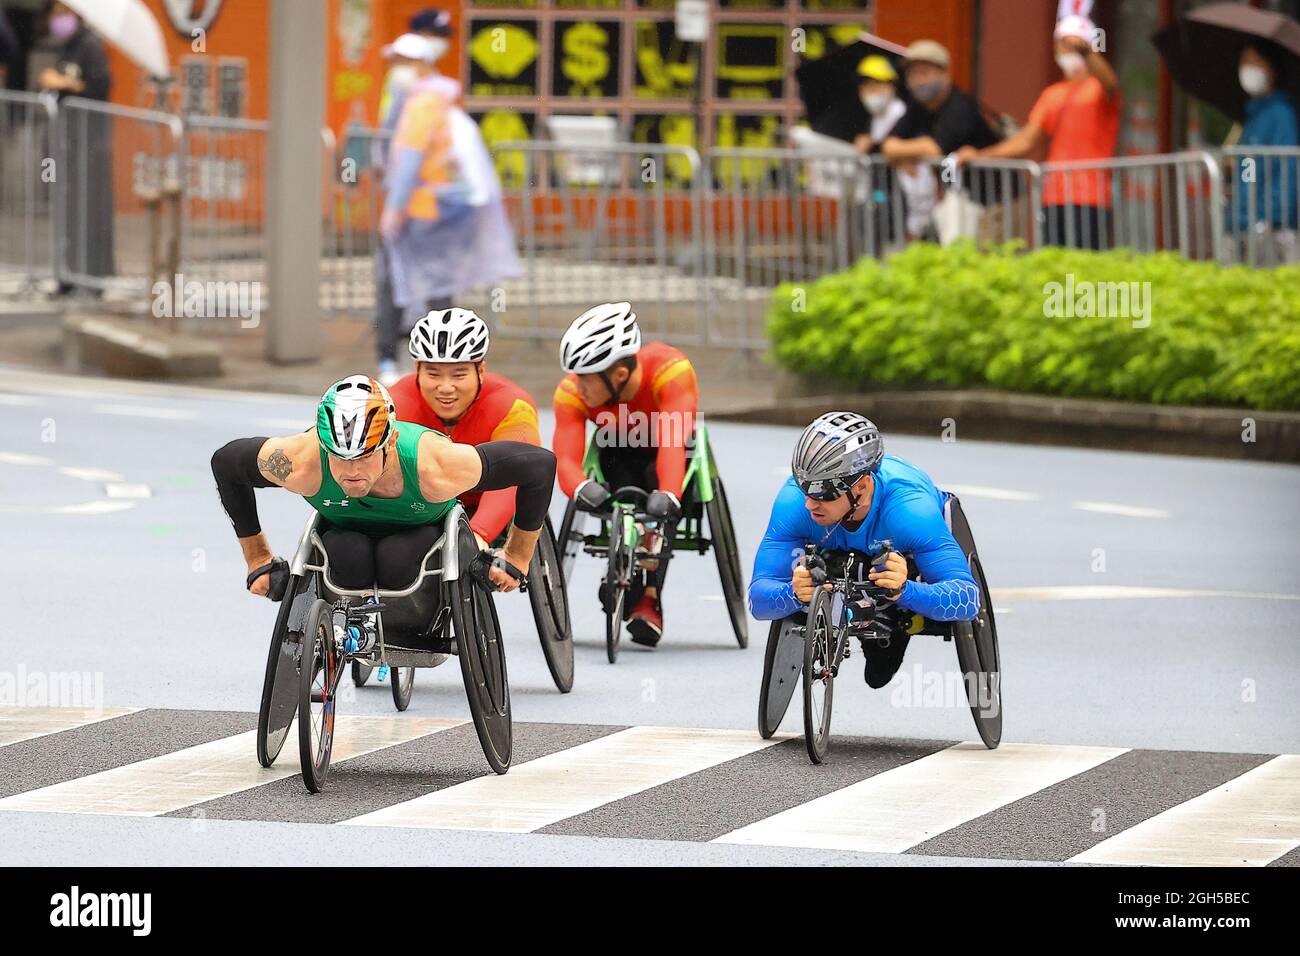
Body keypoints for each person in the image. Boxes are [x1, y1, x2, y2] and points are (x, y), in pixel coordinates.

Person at [211, 375, 556, 600]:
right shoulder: (299, 461)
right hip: (345, 533)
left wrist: (517, 555)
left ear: (390, 442)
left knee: (397, 560)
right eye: (339, 458)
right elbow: (226, 463)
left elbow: (539, 466)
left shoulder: (436, 466)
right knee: (349, 557)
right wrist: (257, 558)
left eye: (363, 457)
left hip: (422, 535)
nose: (351, 472)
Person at [748, 412, 979, 688]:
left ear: (861, 486)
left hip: (899, 564)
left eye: (825, 495)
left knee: (878, 673)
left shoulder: (910, 512)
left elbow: (968, 599)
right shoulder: (794, 503)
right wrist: (794, 593)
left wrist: (904, 590)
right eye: (805, 490)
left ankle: (894, 623)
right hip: (836, 559)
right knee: (815, 568)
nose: (810, 504)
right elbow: (758, 600)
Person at [552, 302, 698, 647]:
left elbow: (673, 443)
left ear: (617, 375)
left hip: (669, 446)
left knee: (658, 484)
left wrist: (670, 493)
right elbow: (566, 457)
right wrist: (581, 487)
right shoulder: (571, 393)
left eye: (585, 378)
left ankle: (649, 595)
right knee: (616, 461)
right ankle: (625, 561)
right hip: (618, 453)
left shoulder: (670, 371)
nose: (578, 385)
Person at [957, 14, 1120, 250]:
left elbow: (1111, 83)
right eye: (1063, 44)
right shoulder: (1052, 94)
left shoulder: (1100, 89)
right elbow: (1025, 141)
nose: (1068, 50)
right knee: (1054, 264)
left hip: (1091, 197)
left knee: (1087, 267)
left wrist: (1085, 52)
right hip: (1054, 195)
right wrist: (980, 156)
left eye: (1074, 44)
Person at [389, 308, 542, 547]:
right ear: (417, 370)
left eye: (459, 375)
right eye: (434, 374)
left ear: (480, 371)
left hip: (485, 501)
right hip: (423, 504)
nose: (446, 387)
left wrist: (479, 535)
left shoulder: (511, 405)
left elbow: (513, 478)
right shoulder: (395, 404)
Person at [39, 1, 114, 294]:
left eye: (62, 13)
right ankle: (67, 276)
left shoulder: (91, 46)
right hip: (65, 146)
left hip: (89, 146)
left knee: (90, 213)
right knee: (67, 214)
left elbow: (100, 86)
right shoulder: (66, 47)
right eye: (55, 13)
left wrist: (67, 84)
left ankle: (94, 279)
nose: (57, 19)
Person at [1231, 43, 1299, 264]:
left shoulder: (1281, 115)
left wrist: (1270, 219)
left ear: (1272, 69)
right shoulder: (1252, 117)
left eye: (1255, 61)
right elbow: (1250, 170)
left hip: (1269, 228)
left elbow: (1287, 170)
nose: (1247, 68)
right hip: (1244, 224)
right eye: (1244, 61)